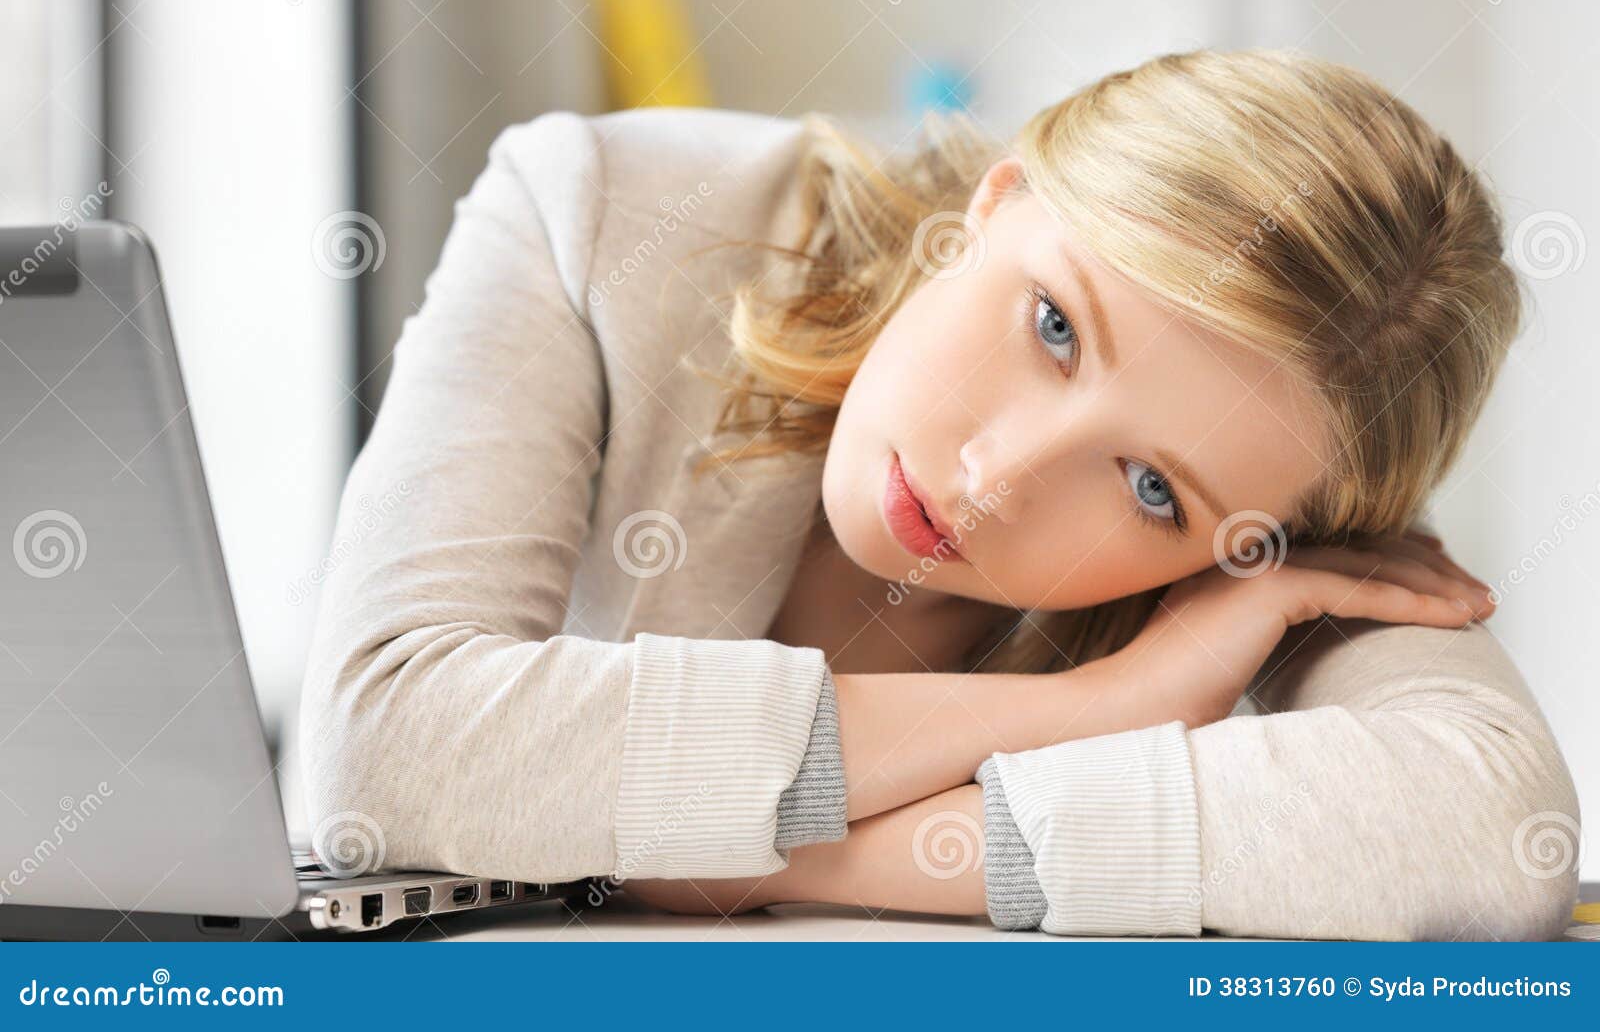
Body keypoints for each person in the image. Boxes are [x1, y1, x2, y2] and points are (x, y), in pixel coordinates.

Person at [298, 49, 1580, 940]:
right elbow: (382, 751)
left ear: (1259, 544)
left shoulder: (1282, 534)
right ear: (998, 198)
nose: (997, 475)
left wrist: (770, 855)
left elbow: (1486, 838)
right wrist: (1101, 704)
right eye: (1054, 326)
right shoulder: (606, 215)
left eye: (1148, 488)